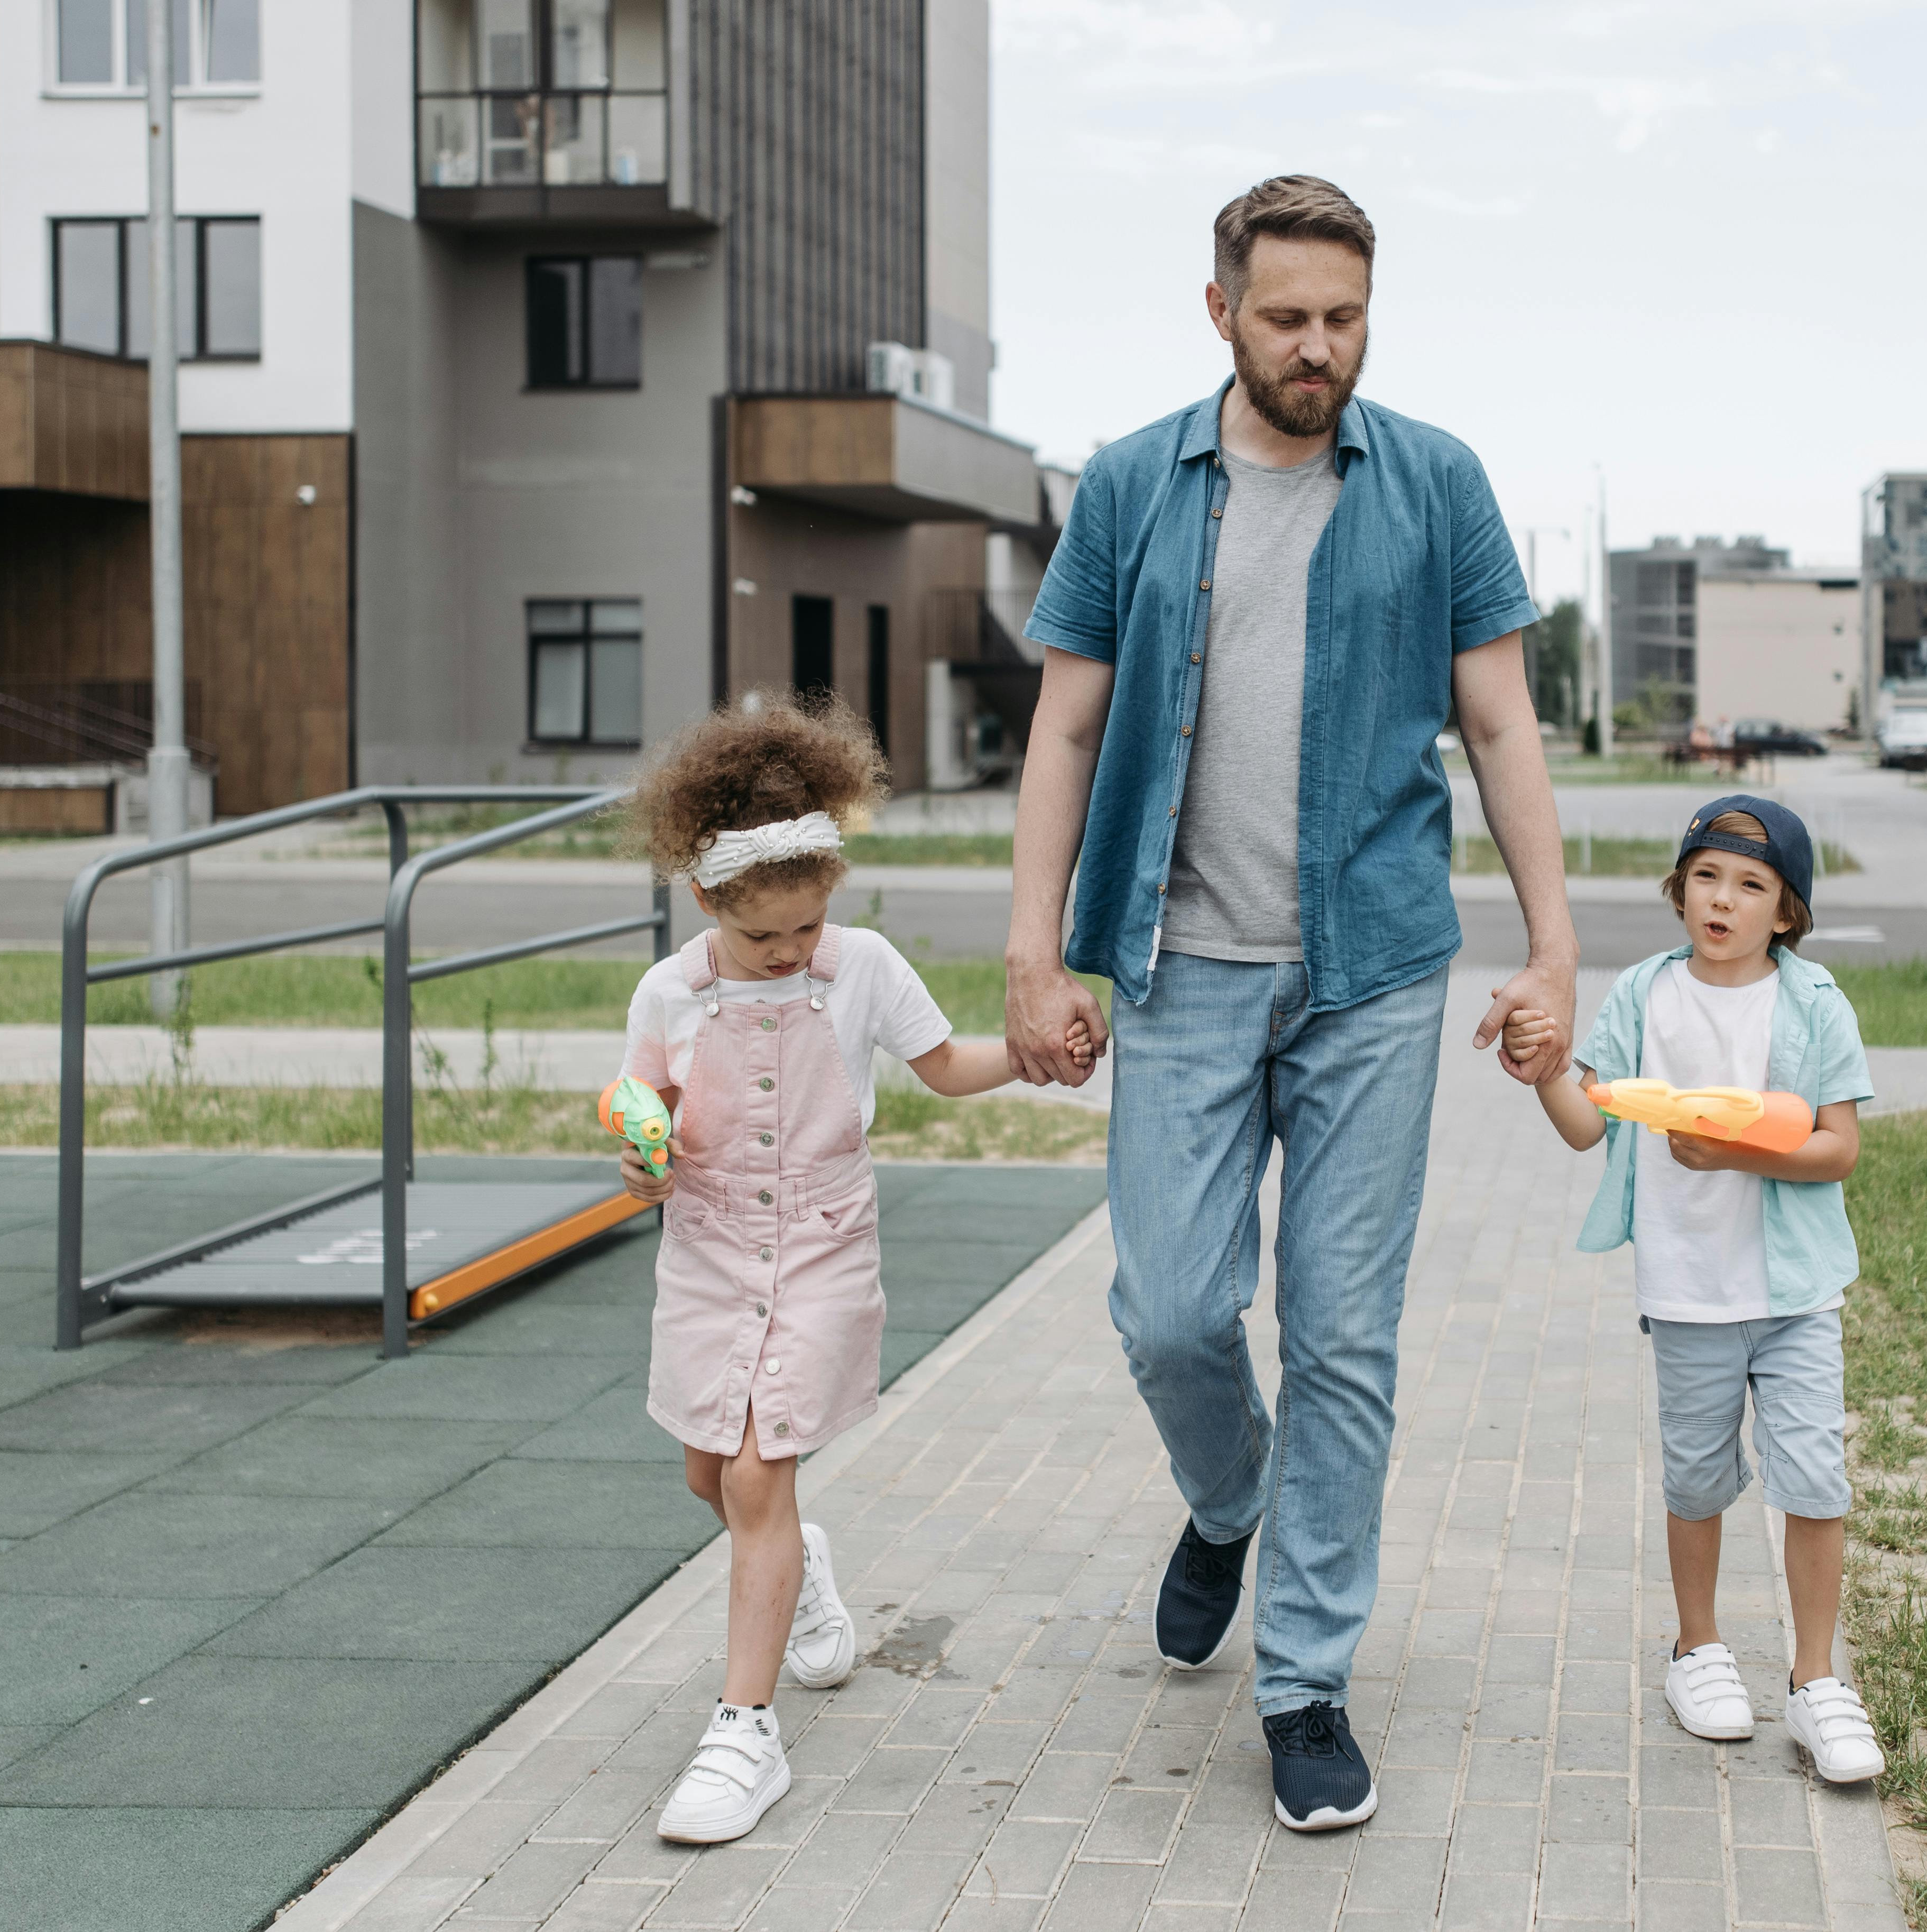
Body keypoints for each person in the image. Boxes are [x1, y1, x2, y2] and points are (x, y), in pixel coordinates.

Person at [1003, 174, 1580, 1832]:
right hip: (1176, 967)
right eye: (1286, 317)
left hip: (1375, 974)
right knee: (1171, 1310)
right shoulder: (1127, 486)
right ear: (1219, 314)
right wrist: (1037, 955)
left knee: (1342, 1334)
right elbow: (1061, 734)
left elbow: (1503, 731)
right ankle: (1229, 1489)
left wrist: (1550, 946)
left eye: (1343, 316)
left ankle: (1305, 1675)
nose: (1318, 346)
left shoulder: (1435, 481)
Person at [616, 694, 1089, 1843]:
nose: (787, 954)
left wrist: (1033, 1057)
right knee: (709, 1479)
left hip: (823, 1248)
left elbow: (940, 1065)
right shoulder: (669, 993)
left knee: (756, 1475)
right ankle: (804, 1573)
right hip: (710, 1252)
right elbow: (643, 1111)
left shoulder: (862, 966)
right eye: (762, 937)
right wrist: (638, 1163)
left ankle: (743, 1732)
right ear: (706, 899)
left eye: (805, 931)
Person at [1501, 798, 1886, 1783]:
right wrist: (1541, 1069)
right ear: (1680, 890)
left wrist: (1734, 1152)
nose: (1723, 899)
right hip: (1688, 1292)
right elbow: (1591, 1123)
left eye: (1751, 885)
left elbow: (1837, 1146)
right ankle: (1698, 1649)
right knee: (1697, 1477)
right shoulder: (1642, 995)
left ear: (1785, 913)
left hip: (1795, 1292)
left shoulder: (1814, 1004)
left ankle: (1814, 1678)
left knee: (1814, 1478)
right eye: (1707, 877)